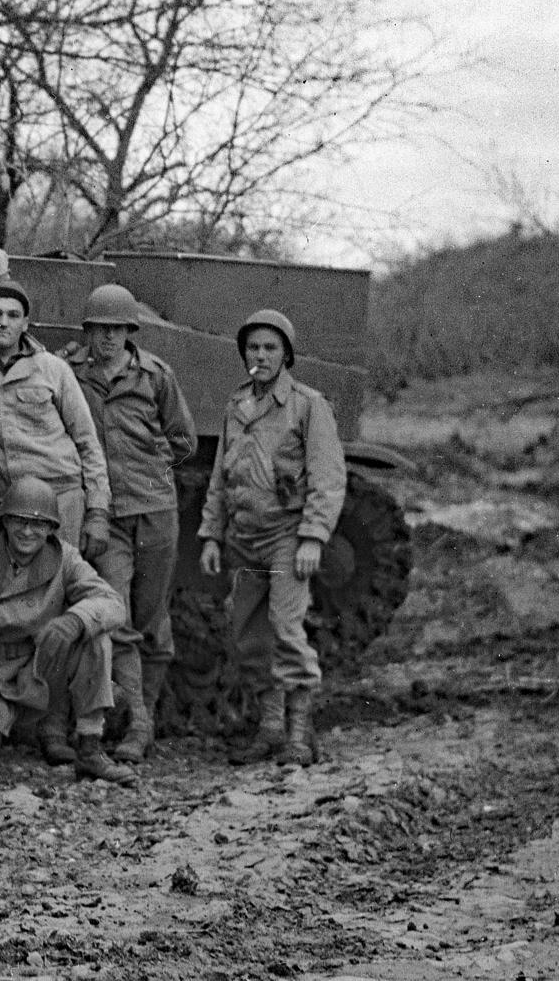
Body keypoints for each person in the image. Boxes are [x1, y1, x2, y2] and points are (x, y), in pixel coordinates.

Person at [0, 268, 114, 753]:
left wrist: (98, 508)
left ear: (25, 323)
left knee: (62, 609)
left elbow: (86, 440)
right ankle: (12, 715)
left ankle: (57, 728)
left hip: (62, 498)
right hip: (6, 507)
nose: (3, 322)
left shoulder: (52, 371)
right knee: (18, 609)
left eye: (13, 315)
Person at [197, 309, 347, 768]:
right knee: (247, 636)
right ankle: (269, 728)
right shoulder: (236, 405)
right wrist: (211, 535)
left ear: (286, 355)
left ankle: (299, 736)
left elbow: (328, 476)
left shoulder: (307, 405)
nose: (260, 356)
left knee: (286, 628)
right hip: (244, 538)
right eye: (253, 348)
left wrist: (313, 536)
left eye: (270, 348)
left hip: (286, 534)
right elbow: (221, 478)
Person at [0, 477, 135, 785]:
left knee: (95, 634)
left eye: (39, 524)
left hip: (40, 671)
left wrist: (74, 621)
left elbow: (111, 603)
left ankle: (90, 747)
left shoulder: (65, 559)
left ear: (51, 528)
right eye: (19, 521)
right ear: (4, 521)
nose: (28, 532)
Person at [68, 283, 197, 764]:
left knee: (153, 616)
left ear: (129, 331)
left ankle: (147, 713)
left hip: (156, 510)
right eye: (99, 329)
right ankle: (137, 723)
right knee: (117, 617)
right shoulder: (73, 374)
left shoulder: (154, 376)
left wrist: (155, 468)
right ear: (88, 332)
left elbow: (183, 440)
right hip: (108, 514)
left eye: (116, 329)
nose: (106, 338)